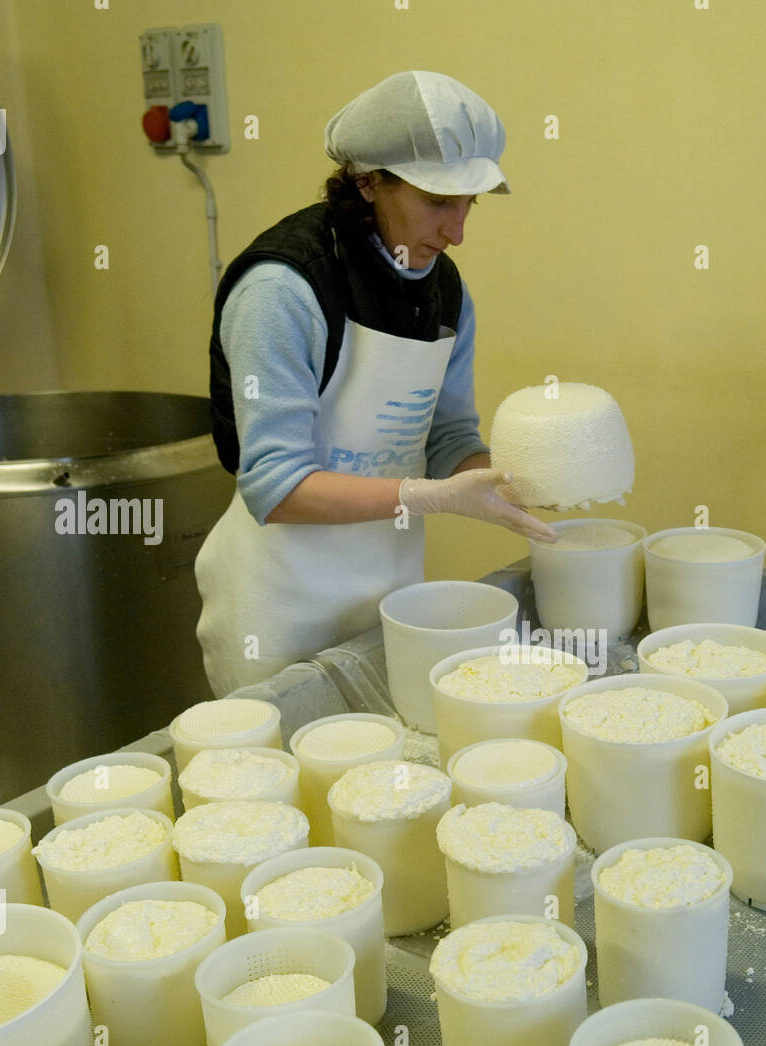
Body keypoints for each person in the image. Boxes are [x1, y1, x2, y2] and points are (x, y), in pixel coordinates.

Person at [195, 70, 556, 698]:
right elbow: (275, 488)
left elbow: (446, 437)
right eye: (439, 201)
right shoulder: (284, 290)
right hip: (278, 605)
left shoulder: (445, 291)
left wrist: (507, 482)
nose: (457, 231)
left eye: (470, 202)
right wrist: (433, 499)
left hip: (389, 593)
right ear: (367, 182)